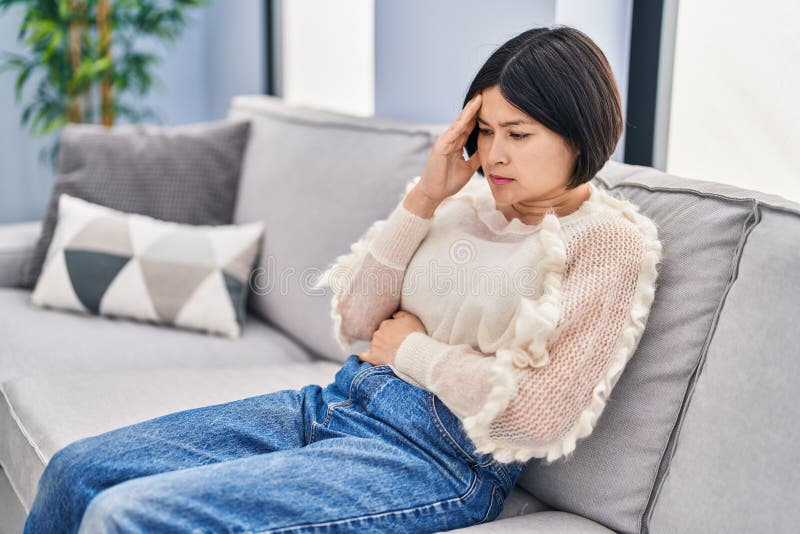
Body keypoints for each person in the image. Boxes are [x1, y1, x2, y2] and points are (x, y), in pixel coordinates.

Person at [23, 25, 663, 533]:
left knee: (127, 516)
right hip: (341, 401)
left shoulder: (606, 240)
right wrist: (424, 198)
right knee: (77, 471)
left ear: (580, 131)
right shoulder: (461, 205)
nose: (493, 154)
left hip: (432, 458)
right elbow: (358, 320)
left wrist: (409, 350)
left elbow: (538, 416)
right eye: (486, 131)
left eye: (518, 134)